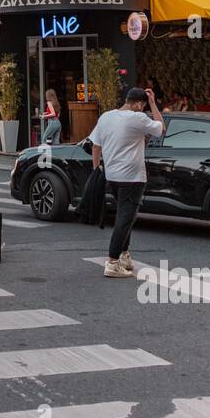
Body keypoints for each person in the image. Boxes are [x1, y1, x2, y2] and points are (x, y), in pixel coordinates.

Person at [89, 87, 164, 278]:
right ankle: (113, 262)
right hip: (132, 178)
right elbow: (160, 128)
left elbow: (96, 146)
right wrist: (154, 104)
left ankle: (124, 255)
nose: (143, 109)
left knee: (125, 216)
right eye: (143, 106)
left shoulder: (106, 116)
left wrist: (97, 168)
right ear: (139, 104)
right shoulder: (137, 118)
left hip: (112, 176)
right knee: (125, 218)